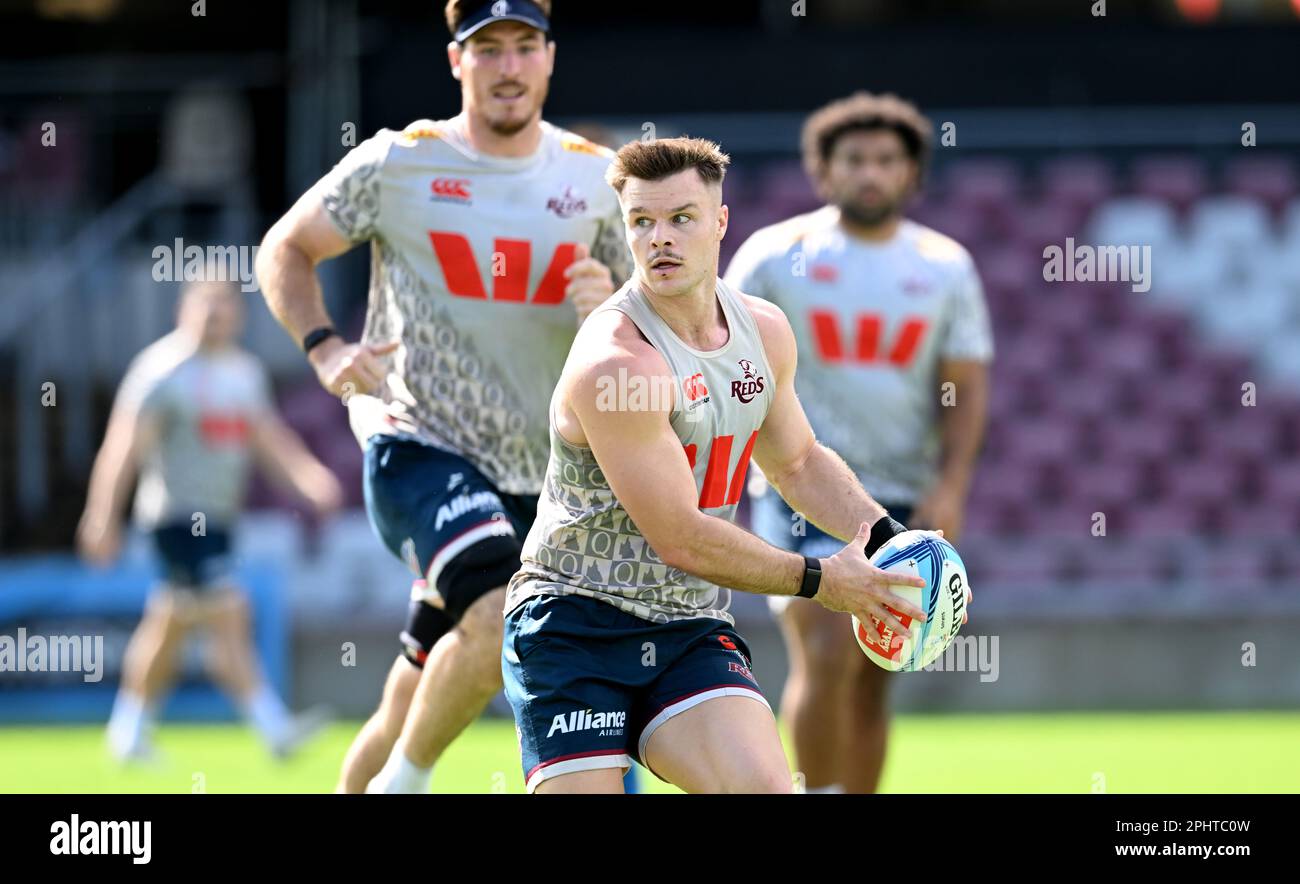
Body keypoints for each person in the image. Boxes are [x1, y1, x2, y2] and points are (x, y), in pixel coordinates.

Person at [502, 136, 969, 794]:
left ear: (720, 222)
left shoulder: (763, 330)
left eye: (681, 218)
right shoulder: (617, 362)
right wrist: (821, 579)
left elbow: (799, 461)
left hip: (687, 628)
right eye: (641, 222)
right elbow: (681, 537)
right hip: (574, 628)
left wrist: (892, 540)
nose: (659, 238)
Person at [255, 0, 636, 793]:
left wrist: (610, 308)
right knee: (501, 609)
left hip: (549, 478)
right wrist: (325, 347)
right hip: (419, 445)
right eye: (487, 48)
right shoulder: (400, 162)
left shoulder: (598, 179)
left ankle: (381, 776)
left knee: (413, 696)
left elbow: (654, 336)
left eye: (524, 47)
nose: (507, 66)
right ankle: (408, 785)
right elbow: (285, 247)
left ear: (549, 58)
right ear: (457, 61)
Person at [724, 92, 993, 793]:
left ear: (911, 173)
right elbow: (722, 366)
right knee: (824, 647)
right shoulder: (774, 256)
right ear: (823, 171)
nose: (869, 173)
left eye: (885, 160)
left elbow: (964, 385)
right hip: (796, 484)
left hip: (898, 493)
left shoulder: (946, 266)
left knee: (878, 673)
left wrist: (953, 483)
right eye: (853, 160)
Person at [77, 279, 341, 762]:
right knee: (229, 610)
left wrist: (308, 480)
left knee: (170, 624)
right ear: (184, 309)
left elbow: (268, 439)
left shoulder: (243, 373)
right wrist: (102, 516)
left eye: (225, 304)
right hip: (175, 521)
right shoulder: (160, 371)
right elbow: (123, 448)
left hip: (218, 522)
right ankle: (274, 728)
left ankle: (128, 730)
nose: (215, 314)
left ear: (237, 315)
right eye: (206, 304)